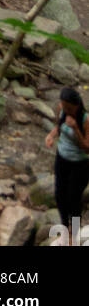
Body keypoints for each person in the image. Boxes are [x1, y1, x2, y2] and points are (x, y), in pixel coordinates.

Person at [45, 85, 89, 245]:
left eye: (69, 107)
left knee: (73, 198)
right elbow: (59, 126)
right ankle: (65, 228)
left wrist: (76, 129)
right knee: (59, 194)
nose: (66, 109)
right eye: (64, 106)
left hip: (80, 164)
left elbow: (87, 147)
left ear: (76, 105)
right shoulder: (62, 109)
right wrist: (51, 136)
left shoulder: (85, 119)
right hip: (62, 158)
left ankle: (75, 233)